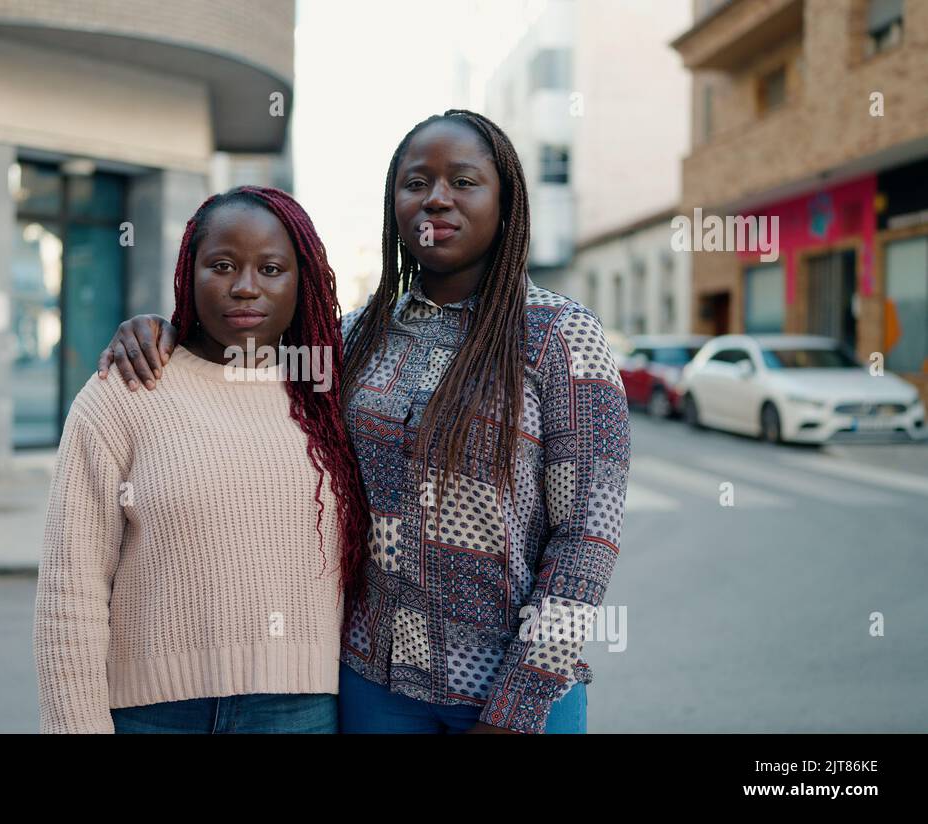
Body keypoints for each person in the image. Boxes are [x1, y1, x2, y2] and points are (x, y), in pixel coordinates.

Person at [98, 110, 631, 734]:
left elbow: (586, 542)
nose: (437, 198)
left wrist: (517, 709)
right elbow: (243, 360)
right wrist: (163, 332)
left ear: (505, 202)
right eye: (415, 183)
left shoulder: (561, 338)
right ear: (393, 206)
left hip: (513, 695)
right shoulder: (354, 336)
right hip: (372, 687)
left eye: (463, 181)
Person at [33, 185, 371, 734]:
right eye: (221, 265)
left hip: (299, 712)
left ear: (301, 282)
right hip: (152, 715)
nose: (245, 287)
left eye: (271, 268)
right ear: (187, 275)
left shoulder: (330, 390)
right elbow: (71, 586)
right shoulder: (126, 389)